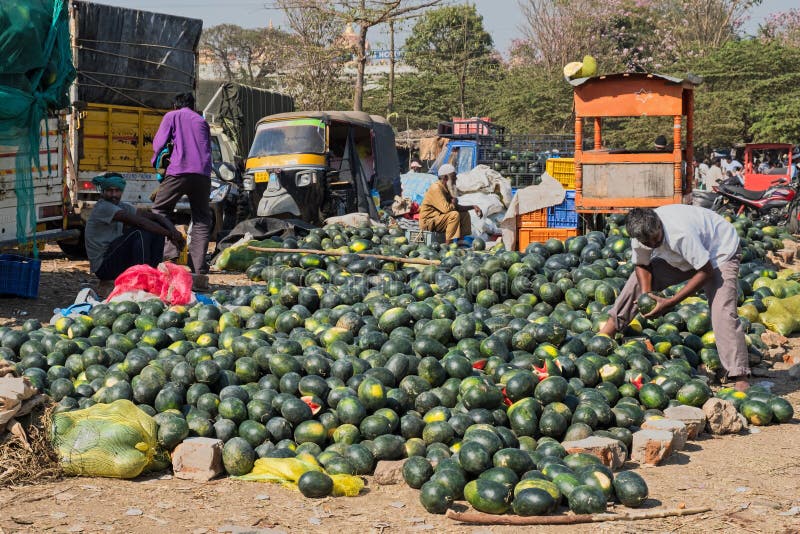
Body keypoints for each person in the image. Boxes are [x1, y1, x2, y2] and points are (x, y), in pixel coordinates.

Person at [599, 206, 750, 391]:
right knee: (635, 282)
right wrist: (648, 295)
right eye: (649, 242)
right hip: (681, 256)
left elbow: (705, 271)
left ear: (659, 224)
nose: (654, 244)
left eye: (657, 238)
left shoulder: (680, 233)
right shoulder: (642, 236)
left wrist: (670, 302)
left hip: (719, 252)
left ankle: (739, 374)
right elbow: (642, 265)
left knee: (722, 310)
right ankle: (608, 331)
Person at [151, 92, 212, 289]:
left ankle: (169, 257)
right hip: (202, 174)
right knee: (202, 219)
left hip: (179, 170)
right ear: (193, 106)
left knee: (160, 211)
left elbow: (158, 143)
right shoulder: (202, 121)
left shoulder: (172, 116)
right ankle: (198, 272)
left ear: (175, 105)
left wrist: (157, 163)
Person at [85, 173, 184, 282]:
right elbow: (141, 223)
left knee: (156, 229)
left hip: (114, 257)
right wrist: (171, 235)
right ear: (103, 192)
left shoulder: (121, 206)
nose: (114, 194)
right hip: (103, 268)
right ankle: (143, 279)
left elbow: (155, 217)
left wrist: (174, 232)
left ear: (122, 191)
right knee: (140, 232)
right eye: (109, 190)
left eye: (117, 191)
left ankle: (153, 273)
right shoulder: (103, 207)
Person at [419, 164, 482, 243]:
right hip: (429, 222)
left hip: (438, 219)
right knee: (454, 215)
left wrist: (473, 207)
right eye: (453, 176)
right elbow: (446, 209)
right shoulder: (436, 188)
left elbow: (455, 207)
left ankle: (460, 242)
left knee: (464, 214)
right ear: (445, 177)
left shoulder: (446, 188)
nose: (456, 178)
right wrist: (454, 202)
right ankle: (448, 245)